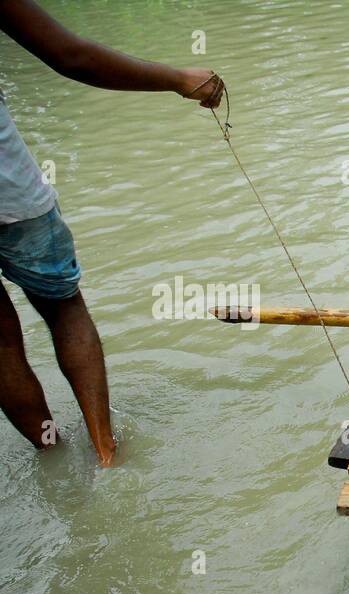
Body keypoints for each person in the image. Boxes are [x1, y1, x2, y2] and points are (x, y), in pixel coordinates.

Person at [0, 0, 223, 465]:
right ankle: (105, 453)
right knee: (64, 308)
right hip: (9, 190)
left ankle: (52, 457)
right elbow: (71, 55)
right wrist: (178, 79)